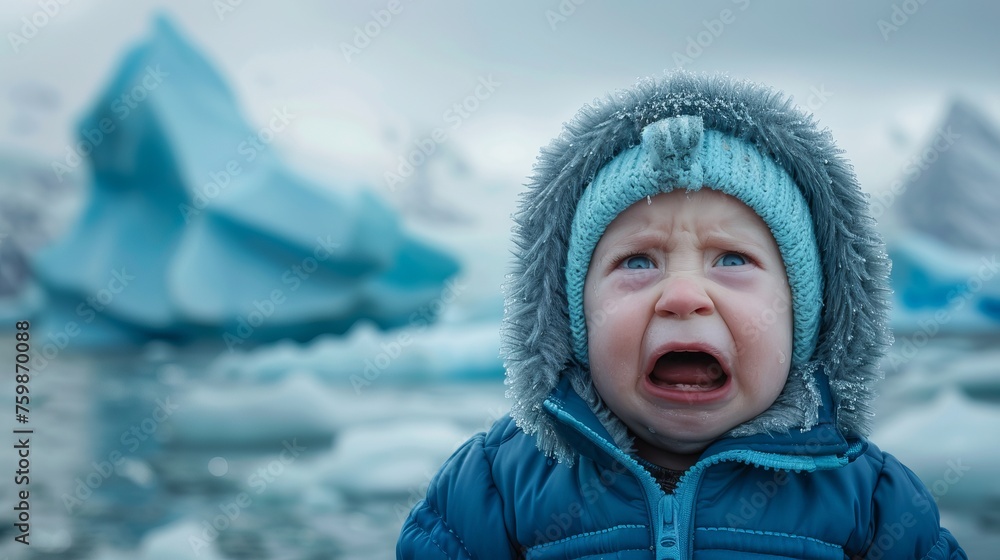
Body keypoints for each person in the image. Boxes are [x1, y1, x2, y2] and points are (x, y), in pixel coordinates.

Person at [397, 72, 966, 559]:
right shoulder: (496, 487)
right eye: (638, 261)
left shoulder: (868, 498)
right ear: (572, 321)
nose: (683, 295)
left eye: (733, 259)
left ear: (805, 321)